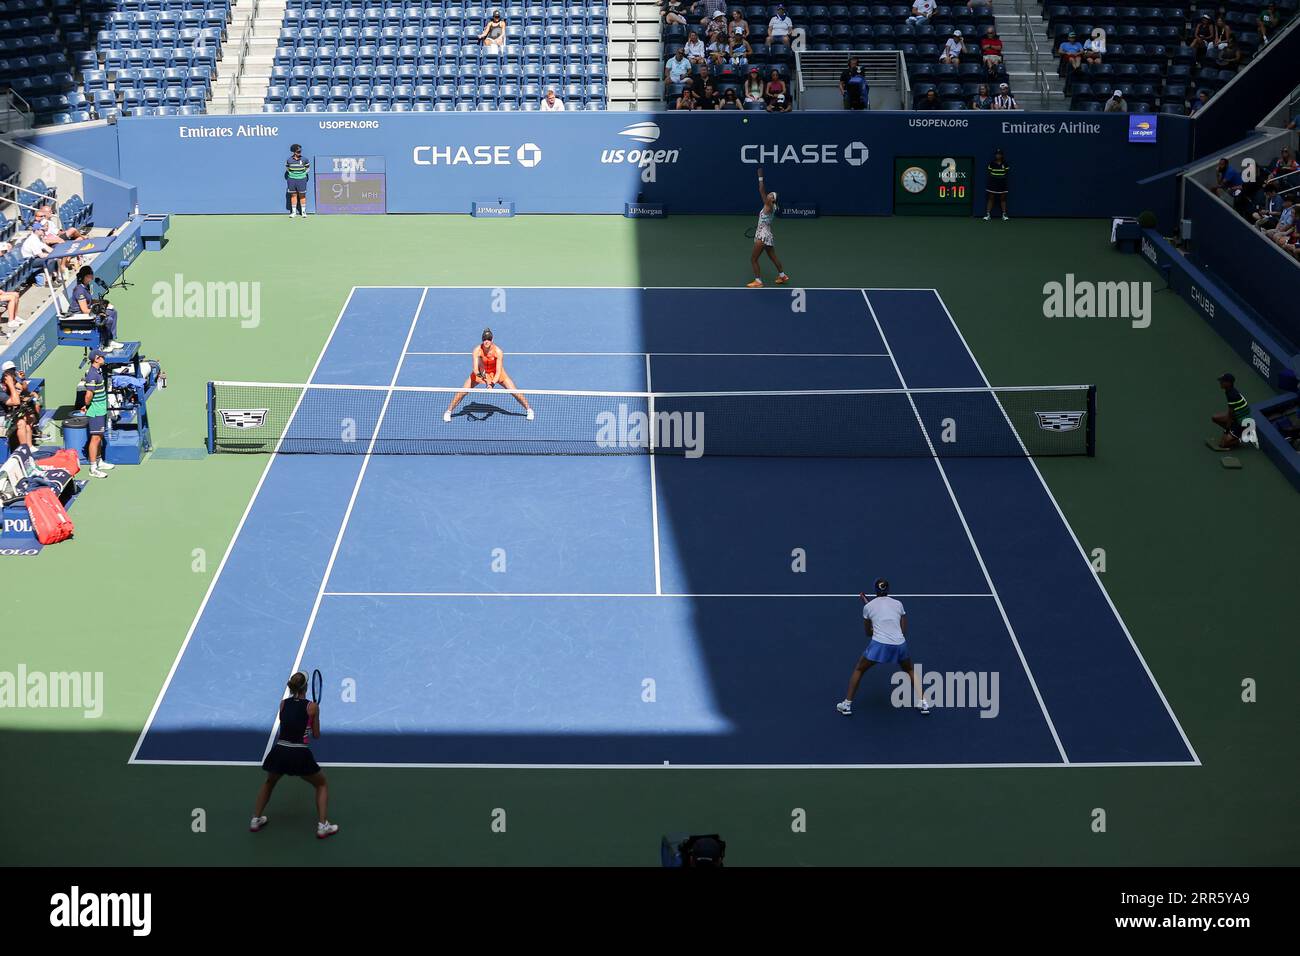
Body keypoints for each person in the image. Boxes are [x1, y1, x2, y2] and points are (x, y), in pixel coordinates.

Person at [250, 671, 339, 840]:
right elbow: (316, 734)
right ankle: (322, 826)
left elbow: (289, 725)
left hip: (280, 751)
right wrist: (316, 714)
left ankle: (255, 819)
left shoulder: (283, 704)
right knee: (321, 784)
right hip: (299, 753)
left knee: (270, 782)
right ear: (306, 687)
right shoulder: (312, 707)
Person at [836, 579, 932, 717]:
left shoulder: (868, 607)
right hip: (900, 644)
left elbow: (868, 633)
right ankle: (924, 703)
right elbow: (902, 631)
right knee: (909, 669)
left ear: (875, 590)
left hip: (880, 645)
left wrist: (873, 627)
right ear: (888, 590)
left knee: (859, 669)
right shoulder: (898, 604)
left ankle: (846, 705)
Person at [443, 328, 534, 421]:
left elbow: (498, 371)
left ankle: (529, 410)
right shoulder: (477, 350)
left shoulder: (498, 352)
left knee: (514, 391)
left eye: (489, 339)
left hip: (497, 373)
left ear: (492, 339)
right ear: (482, 339)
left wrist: (492, 383)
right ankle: (448, 411)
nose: (486, 341)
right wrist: (486, 379)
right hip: (481, 373)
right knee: (463, 391)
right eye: (484, 339)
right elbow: (475, 370)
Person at [746, 167, 789, 288]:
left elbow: (761, 190)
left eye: (771, 195)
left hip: (763, 236)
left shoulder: (769, 205)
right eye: (769, 194)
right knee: (773, 257)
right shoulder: (772, 207)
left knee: (753, 259)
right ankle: (782, 275)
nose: (768, 195)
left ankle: (758, 281)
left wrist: (760, 178)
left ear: (773, 199)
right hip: (767, 234)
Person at [69, 265, 121, 350]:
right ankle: (104, 342)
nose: (93, 277)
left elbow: (89, 301)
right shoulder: (79, 290)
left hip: (86, 313)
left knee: (113, 312)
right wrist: (100, 310)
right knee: (108, 319)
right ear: (86, 276)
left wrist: (101, 302)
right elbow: (85, 310)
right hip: (80, 317)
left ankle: (111, 340)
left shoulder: (85, 286)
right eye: (91, 275)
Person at [80, 350, 114, 478]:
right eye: (102, 357)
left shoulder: (97, 372)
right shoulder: (92, 375)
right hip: (95, 412)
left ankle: (99, 461)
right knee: (95, 439)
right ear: (96, 359)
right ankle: (93, 468)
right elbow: (89, 395)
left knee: (99, 437)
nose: (104, 358)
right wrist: (87, 406)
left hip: (100, 410)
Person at [2, 359, 39, 451]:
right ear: (5, 373)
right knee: (24, 420)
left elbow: (23, 389)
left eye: (13, 369)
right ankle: (26, 447)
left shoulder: (14, 380)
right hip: (9, 411)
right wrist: (11, 384)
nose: (13, 372)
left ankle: (30, 445)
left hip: (14, 408)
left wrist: (23, 379)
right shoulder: (4, 385)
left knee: (32, 414)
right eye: (11, 370)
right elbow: (15, 401)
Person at [1207, 372, 1250, 450]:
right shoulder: (1229, 391)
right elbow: (1230, 414)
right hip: (1237, 416)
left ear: (1228, 383)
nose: (1220, 383)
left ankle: (1238, 439)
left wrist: (1225, 432)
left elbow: (1230, 415)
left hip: (1242, 421)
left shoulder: (1232, 395)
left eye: (1222, 381)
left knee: (1224, 444)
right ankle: (1232, 433)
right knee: (1215, 418)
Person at [984, 147, 1010, 221]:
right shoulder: (992, 163)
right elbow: (990, 172)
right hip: (993, 183)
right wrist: (995, 178)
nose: (998, 156)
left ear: (1002, 155)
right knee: (991, 198)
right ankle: (988, 215)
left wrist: (1000, 178)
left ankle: (1004, 215)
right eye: (997, 154)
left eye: (999, 154)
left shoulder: (1005, 164)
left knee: (1003, 198)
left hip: (1002, 183)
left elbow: (1006, 172)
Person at [285, 143, 309, 218]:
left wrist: (303, 174)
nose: (299, 153)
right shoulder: (289, 160)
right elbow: (287, 168)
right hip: (292, 179)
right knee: (293, 195)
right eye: (298, 151)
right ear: (294, 152)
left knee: (302, 196)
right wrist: (292, 175)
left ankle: (303, 212)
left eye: (300, 151)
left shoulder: (305, 159)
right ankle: (294, 212)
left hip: (302, 179)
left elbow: (307, 168)